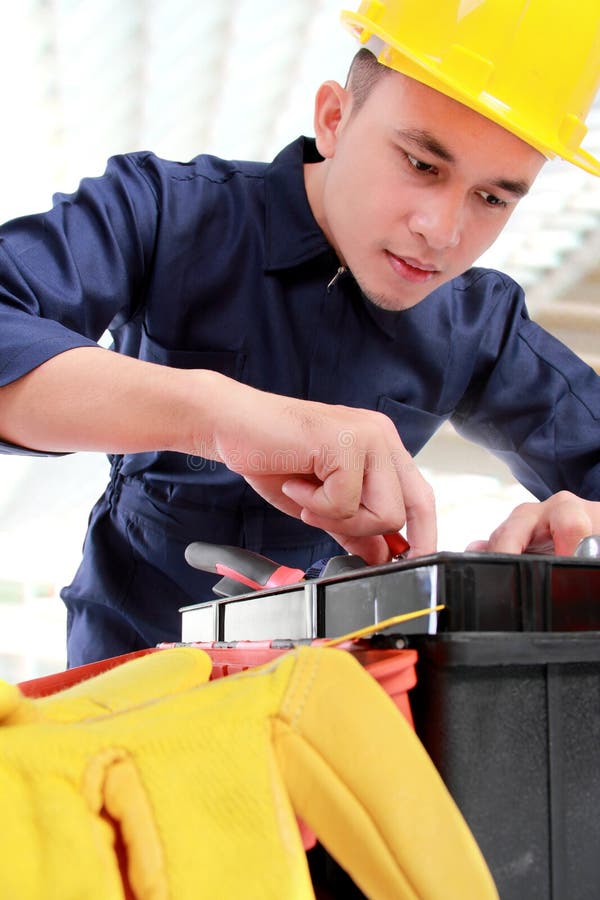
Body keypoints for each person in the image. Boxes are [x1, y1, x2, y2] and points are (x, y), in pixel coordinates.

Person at [0, 0, 599, 666]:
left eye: (492, 198)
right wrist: (219, 416)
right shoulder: (165, 212)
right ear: (334, 119)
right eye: (422, 165)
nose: (443, 230)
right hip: (127, 675)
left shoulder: (478, 324)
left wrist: (586, 527)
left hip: (331, 706)